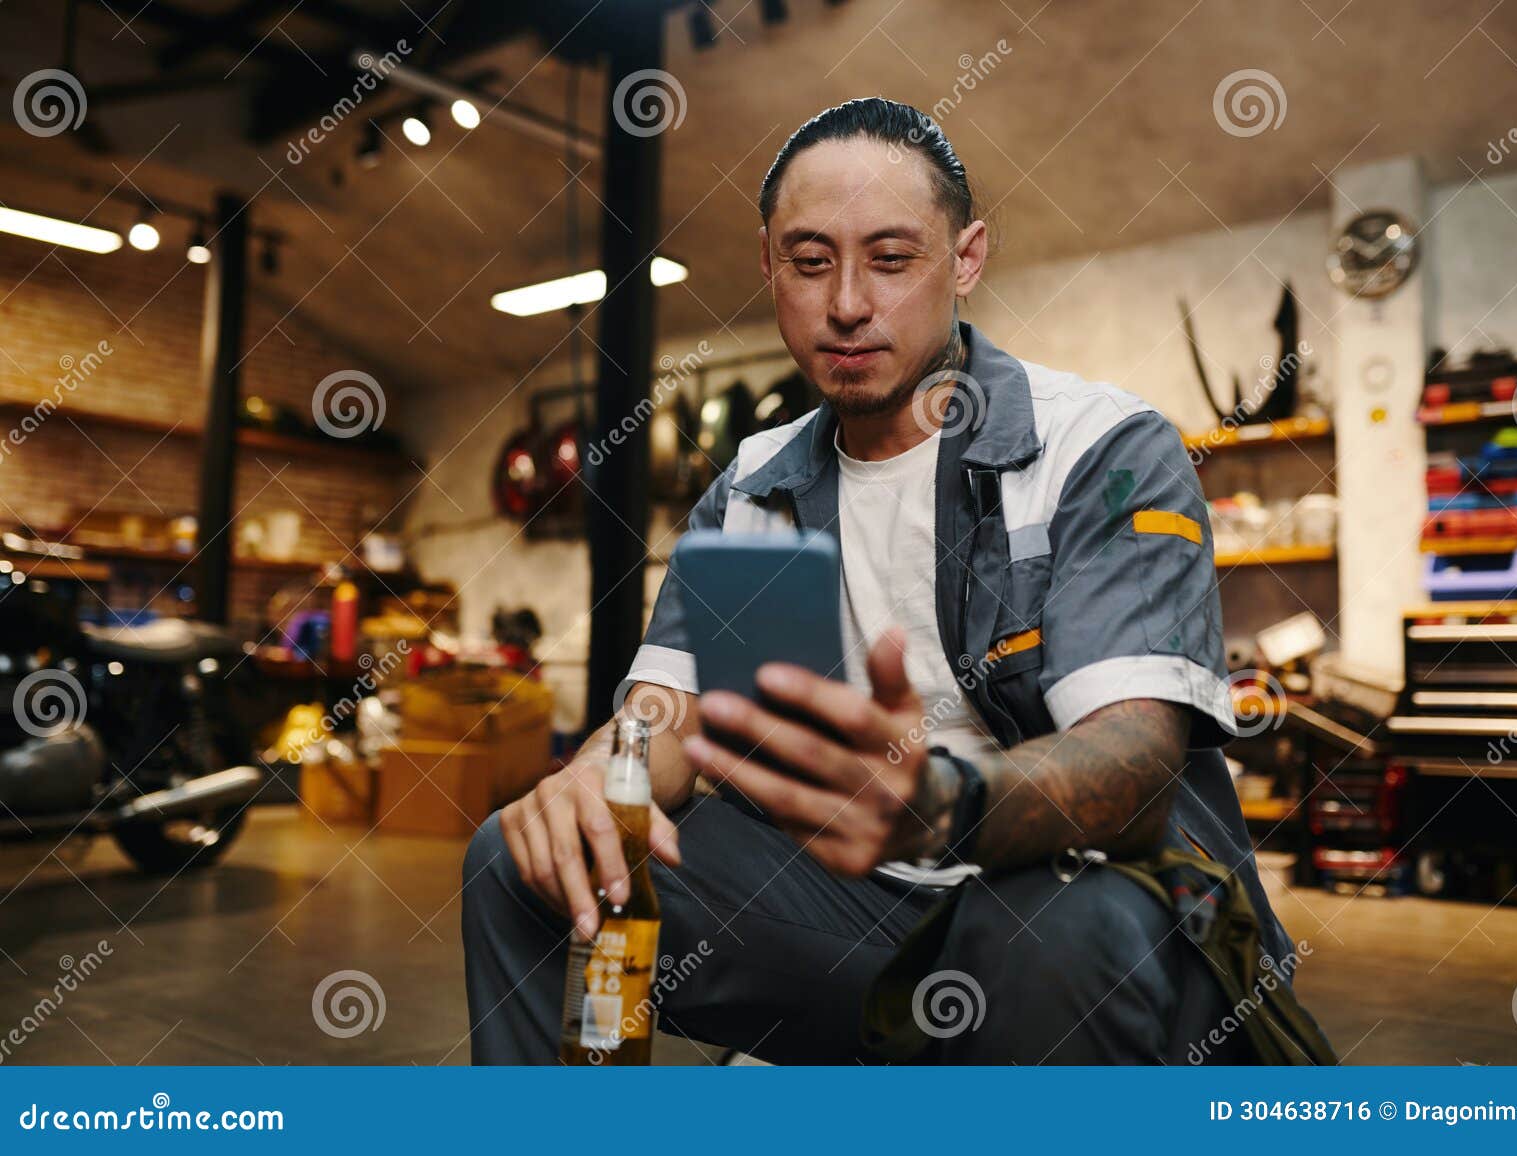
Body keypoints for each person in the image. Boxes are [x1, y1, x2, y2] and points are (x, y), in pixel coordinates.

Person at [463, 97, 1320, 1064]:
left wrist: (943, 803)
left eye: (893, 258)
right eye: (811, 260)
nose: (848, 304)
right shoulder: (755, 486)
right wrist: (590, 783)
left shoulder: (1098, 449)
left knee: (1048, 926)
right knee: (524, 857)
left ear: (966, 258)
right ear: (769, 266)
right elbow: (673, 715)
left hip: (1096, 917)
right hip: (862, 911)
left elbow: (1134, 763)